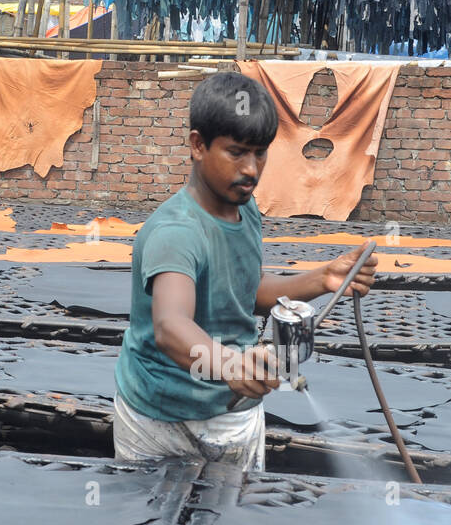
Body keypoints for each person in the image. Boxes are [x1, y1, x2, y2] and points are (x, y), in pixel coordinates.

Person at [113, 71, 377, 470]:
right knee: (153, 523)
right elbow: (170, 325)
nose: (252, 170)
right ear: (198, 146)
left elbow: (246, 290)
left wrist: (324, 279)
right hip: (159, 421)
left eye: (260, 153)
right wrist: (231, 365)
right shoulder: (176, 232)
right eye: (237, 152)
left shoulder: (245, 210)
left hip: (232, 409)